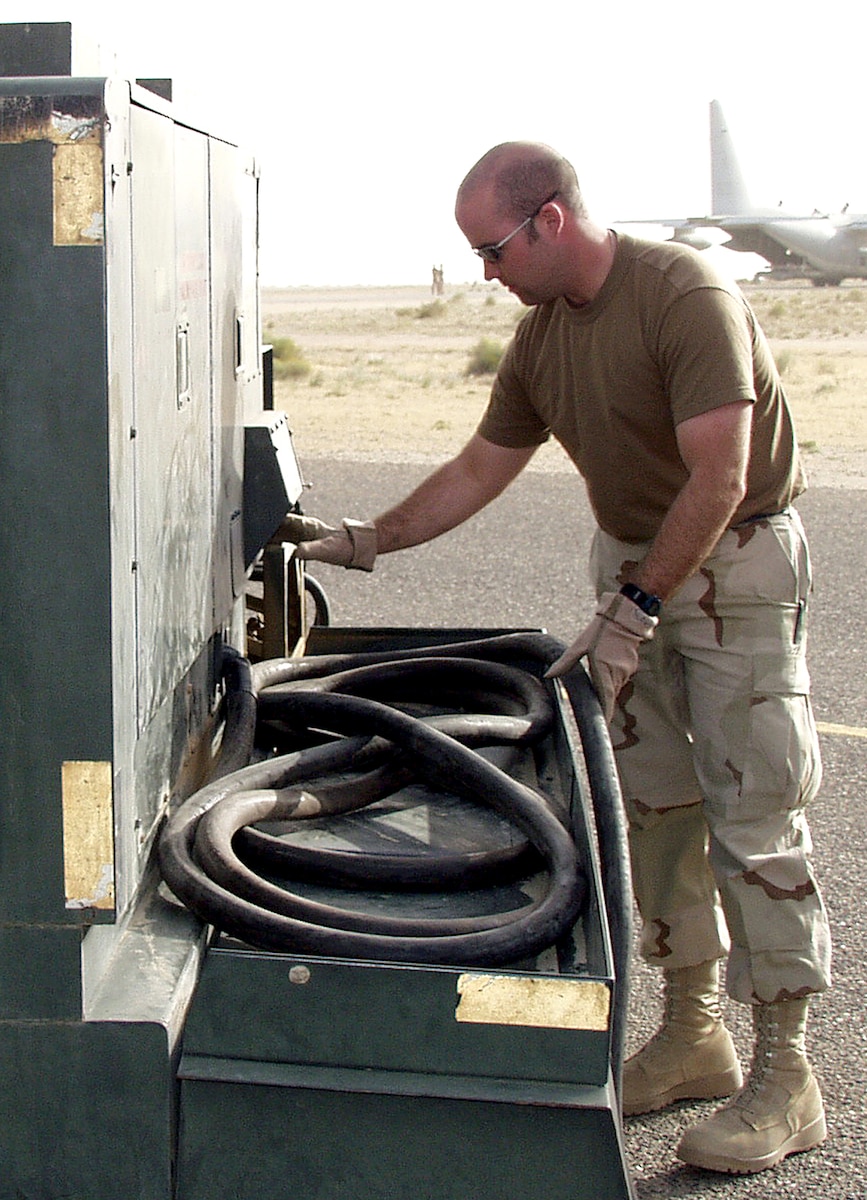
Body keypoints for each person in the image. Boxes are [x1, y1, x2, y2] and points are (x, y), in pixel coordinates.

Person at [281, 141, 832, 1175]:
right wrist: (363, 542)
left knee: (754, 819)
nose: (484, 272)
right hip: (637, 572)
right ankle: (693, 1032)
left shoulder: (683, 296)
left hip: (734, 573)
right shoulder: (544, 339)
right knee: (657, 810)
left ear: (551, 221)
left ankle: (788, 1075)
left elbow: (723, 474)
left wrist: (635, 609)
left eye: (491, 249)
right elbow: (480, 467)